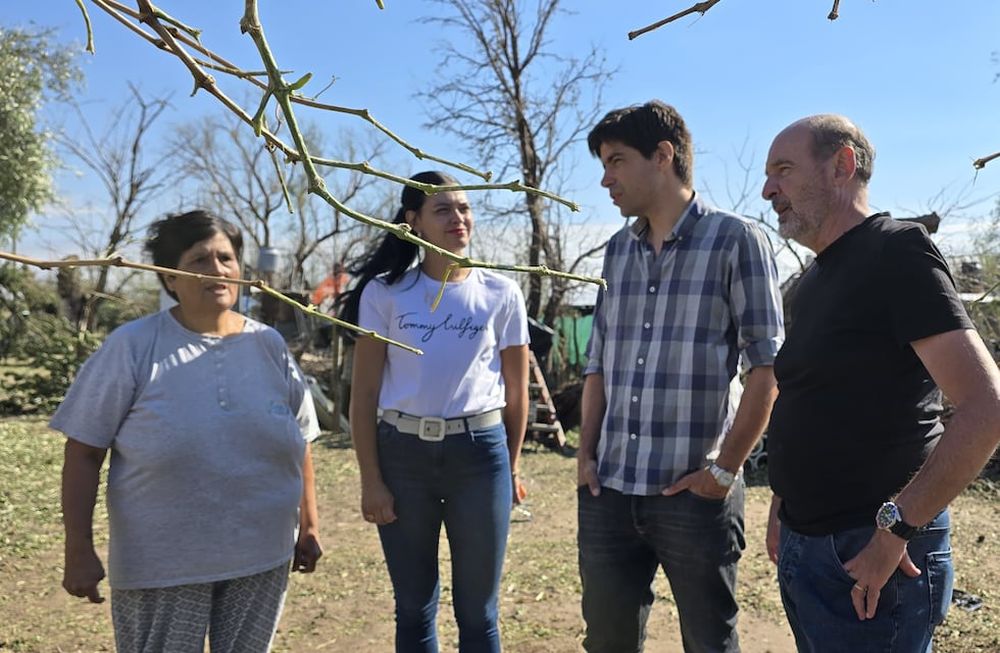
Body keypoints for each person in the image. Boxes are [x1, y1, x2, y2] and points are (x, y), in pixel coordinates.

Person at [762, 115, 1000, 652]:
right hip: (809, 544)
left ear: (842, 165)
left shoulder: (897, 253)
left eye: (783, 170)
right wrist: (784, 500)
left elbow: (986, 406)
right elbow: (812, 396)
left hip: (872, 552)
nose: (767, 189)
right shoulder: (812, 279)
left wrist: (894, 531)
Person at [53, 210, 322, 653]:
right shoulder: (134, 347)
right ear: (169, 276)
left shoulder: (268, 346)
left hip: (261, 557)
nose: (217, 270)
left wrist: (308, 525)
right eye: (198, 259)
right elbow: (83, 452)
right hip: (165, 565)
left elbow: (301, 440)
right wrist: (78, 549)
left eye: (226, 258)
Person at [578, 100, 785, 653]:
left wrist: (724, 471)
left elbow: (766, 369)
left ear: (663, 156)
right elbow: (598, 361)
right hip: (610, 490)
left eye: (617, 161)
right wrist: (584, 456)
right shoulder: (617, 251)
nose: (606, 179)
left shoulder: (737, 239)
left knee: (709, 643)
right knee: (606, 642)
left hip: (694, 495)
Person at [343, 171, 530, 653]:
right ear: (414, 222)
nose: (458, 218)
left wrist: (509, 464)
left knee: (479, 611)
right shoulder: (385, 294)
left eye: (464, 208)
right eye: (443, 209)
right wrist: (371, 478)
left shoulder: (501, 293)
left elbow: (516, 389)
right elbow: (363, 394)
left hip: (479, 458)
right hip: (402, 459)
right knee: (414, 606)